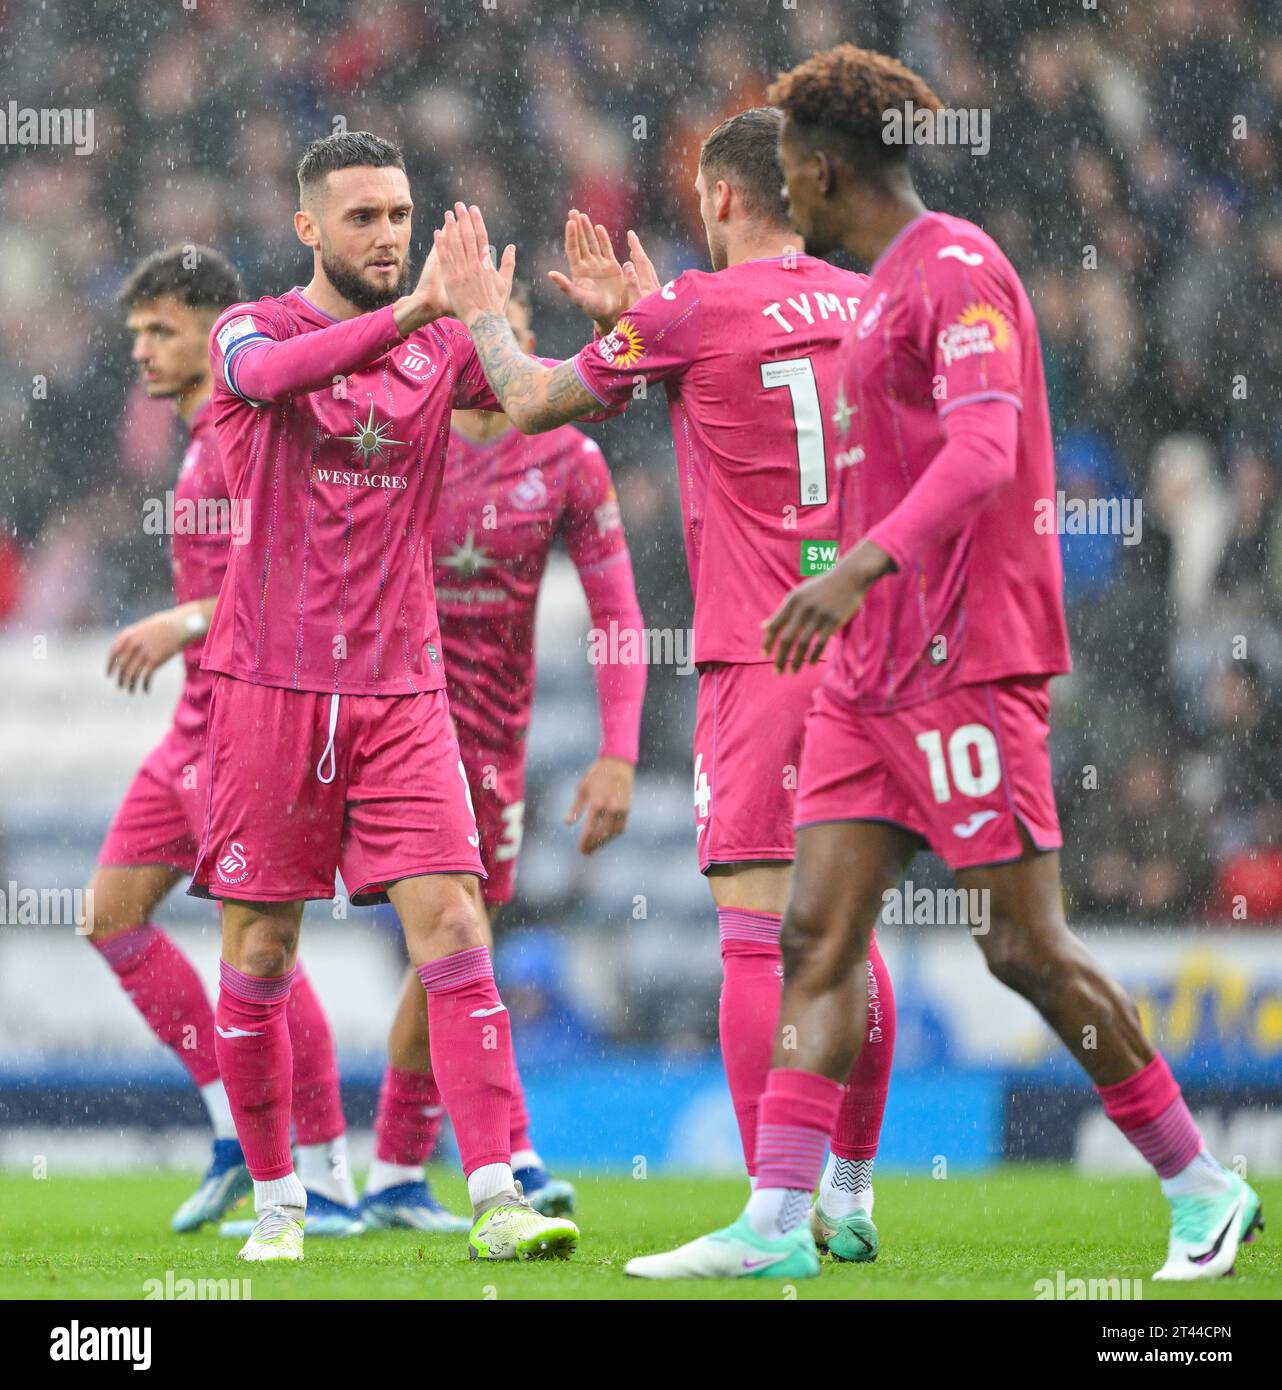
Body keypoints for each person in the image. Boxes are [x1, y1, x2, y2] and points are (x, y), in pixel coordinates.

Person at [637, 43, 1262, 1280]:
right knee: (812, 934)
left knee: (1019, 945)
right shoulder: (875, 288)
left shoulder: (958, 267)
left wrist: (853, 567)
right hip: (872, 672)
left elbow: (984, 453)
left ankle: (1201, 1184)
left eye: (790, 172)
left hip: (962, 660)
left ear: (820, 168)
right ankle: (778, 1222)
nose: (782, 196)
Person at [434, 106, 897, 1264]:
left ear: (726, 199)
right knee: (849, 928)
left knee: (757, 933)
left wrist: (485, 318)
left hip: (765, 652)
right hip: (871, 643)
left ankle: (768, 1216)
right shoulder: (866, 299)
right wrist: (642, 324)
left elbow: (532, 400)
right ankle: (846, 1191)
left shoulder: (696, 308)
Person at [194, 130, 578, 1262]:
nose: (388, 235)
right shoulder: (248, 330)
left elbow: (538, 400)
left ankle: (497, 1191)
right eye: (362, 217)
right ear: (309, 226)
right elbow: (271, 382)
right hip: (268, 688)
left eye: (401, 215)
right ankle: (277, 1199)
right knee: (261, 951)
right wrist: (420, 313)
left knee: (456, 924)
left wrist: (622, 330)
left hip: (405, 693)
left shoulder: (438, 344)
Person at [363, 282, 645, 1231]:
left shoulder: (568, 458)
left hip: (496, 744)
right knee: (450, 937)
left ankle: (403, 1172)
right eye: (479, 343)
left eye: (510, 341)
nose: (496, 362)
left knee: (455, 943)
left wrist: (618, 750)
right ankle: (482, 1153)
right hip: (392, 721)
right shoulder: (405, 443)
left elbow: (616, 615)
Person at [89, 246, 359, 1236]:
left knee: (261, 950)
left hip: (245, 714)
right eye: (135, 333)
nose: (142, 351)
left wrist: (183, 620)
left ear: (214, 325)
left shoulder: (245, 428)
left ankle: (328, 1175)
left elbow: (285, 567)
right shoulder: (197, 439)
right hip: (190, 722)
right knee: (113, 914)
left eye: (160, 329)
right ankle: (228, 1132)